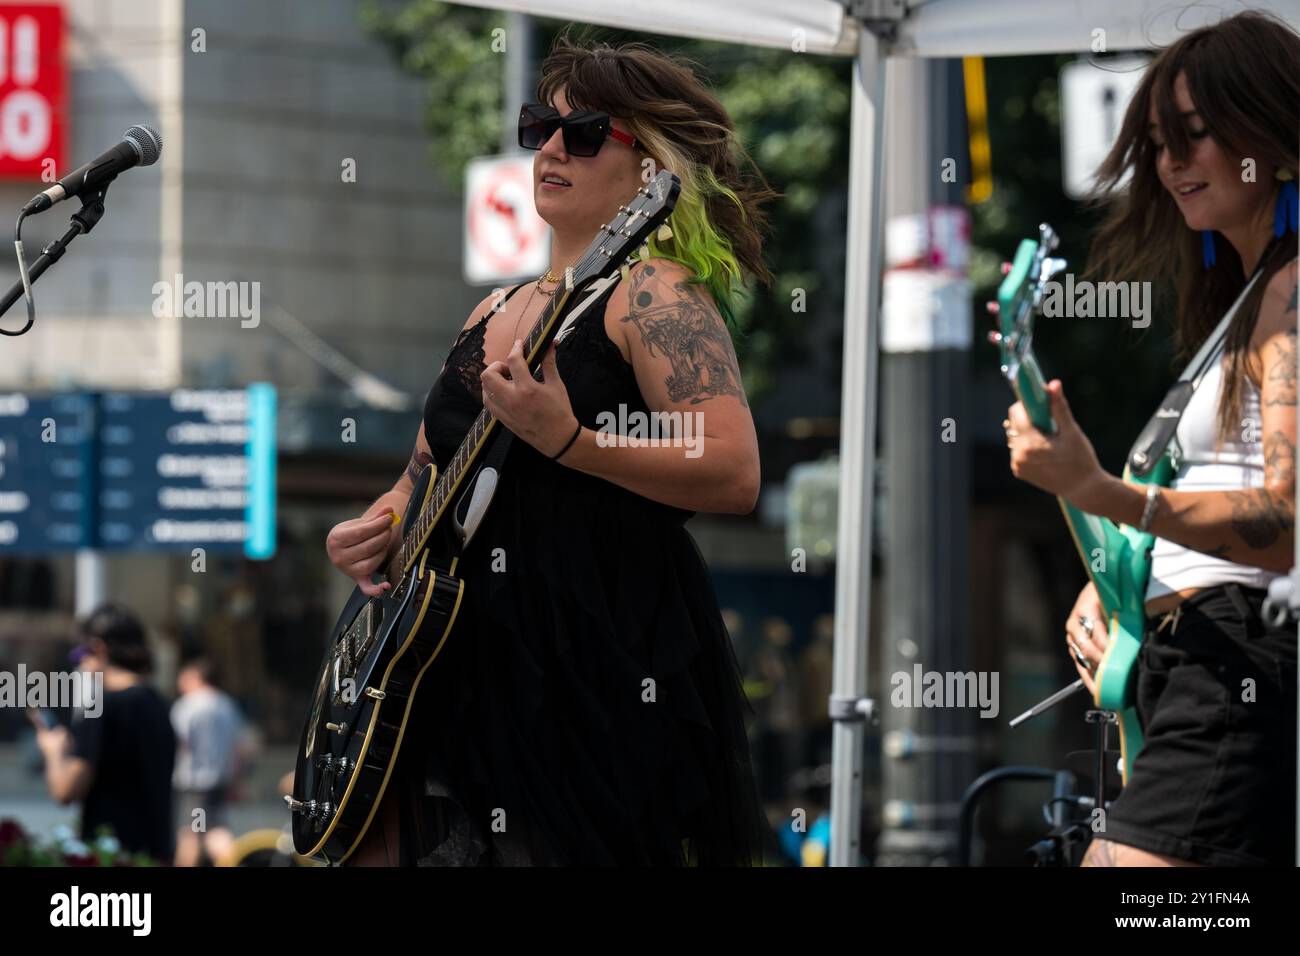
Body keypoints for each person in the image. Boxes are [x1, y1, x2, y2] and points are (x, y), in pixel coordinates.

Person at [324, 30, 778, 866]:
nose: (552, 149)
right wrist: (376, 525)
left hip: (584, 674)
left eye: (586, 132)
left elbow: (732, 469)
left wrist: (570, 440)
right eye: (541, 127)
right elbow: (421, 476)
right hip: (439, 669)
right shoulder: (491, 311)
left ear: (650, 167)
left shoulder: (653, 292)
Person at [1005, 10, 1299, 866]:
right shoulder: (1248, 296)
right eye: (1159, 142)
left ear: (1275, 136)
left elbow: (1285, 521)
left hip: (1238, 658)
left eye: (1195, 134)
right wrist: (1121, 582)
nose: (1170, 163)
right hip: (1194, 661)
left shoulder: (1291, 291)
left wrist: (1102, 492)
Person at [33, 603, 177, 862]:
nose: (79, 662)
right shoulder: (158, 704)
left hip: (110, 859)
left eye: (80, 653)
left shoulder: (99, 708)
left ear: (98, 648)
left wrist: (52, 751)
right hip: (154, 856)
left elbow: (65, 791)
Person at [172, 657, 247, 866]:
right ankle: (235, 861)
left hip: (194, 783)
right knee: (215, 829)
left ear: (195, 677)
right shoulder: (226, 704)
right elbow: (241, 746)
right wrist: (238, 779)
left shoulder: (188, 705)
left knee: (192, 834)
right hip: (219, 780)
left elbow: (178, 741)